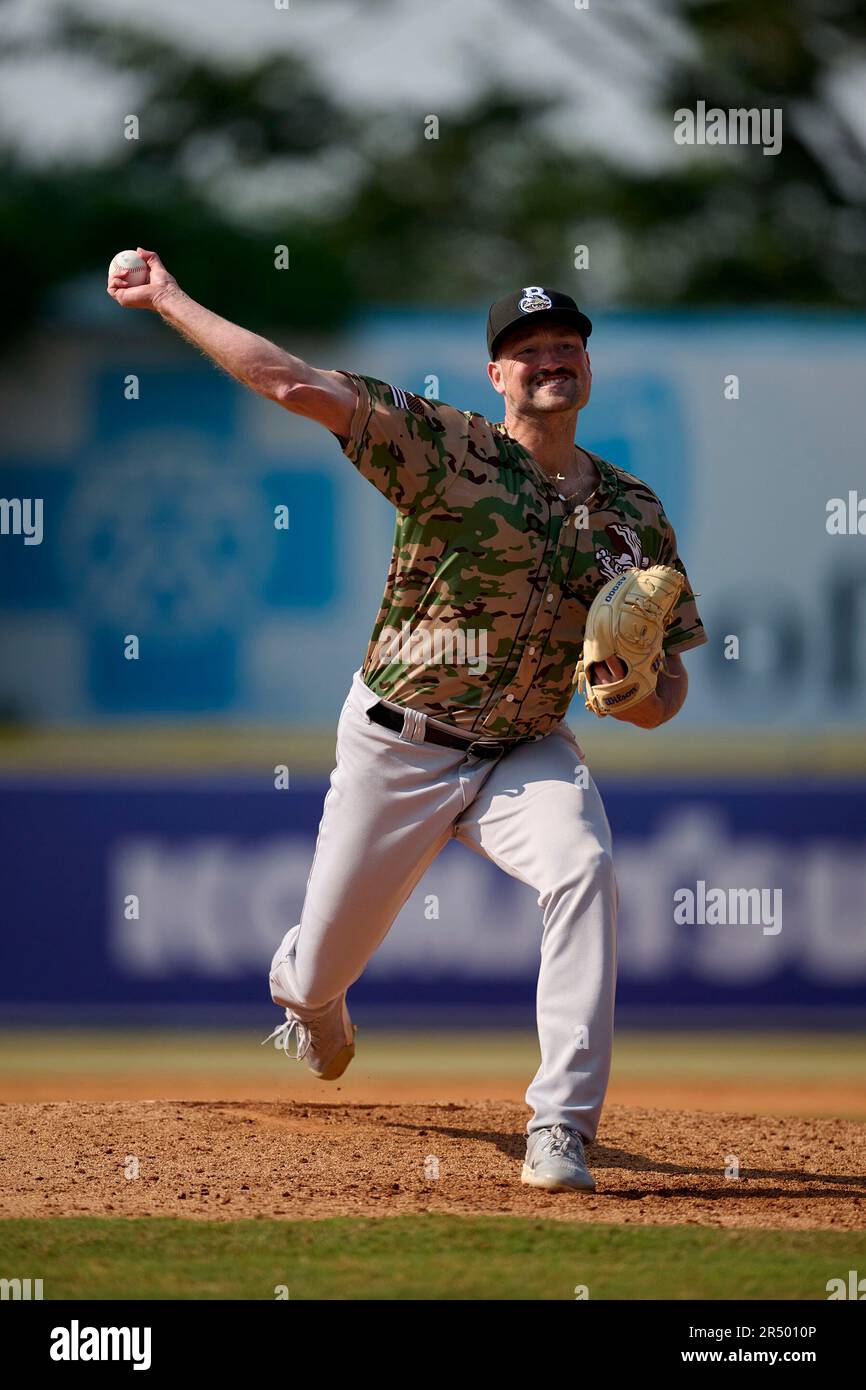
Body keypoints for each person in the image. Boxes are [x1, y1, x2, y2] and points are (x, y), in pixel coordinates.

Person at [108, 259, 707, 1192]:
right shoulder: (446, 446)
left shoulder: (635, 517)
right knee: (311, 984)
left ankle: (561, 1129)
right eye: (526, 350)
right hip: (402, 740)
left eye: (565, 345)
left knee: (585, 867)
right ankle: (315, 998)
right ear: (497, 377)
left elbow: (666, 685)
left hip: (525, 748)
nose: (549, 358)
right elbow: (292, 383)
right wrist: (171, 299)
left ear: (587, 365)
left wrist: (642, 697)